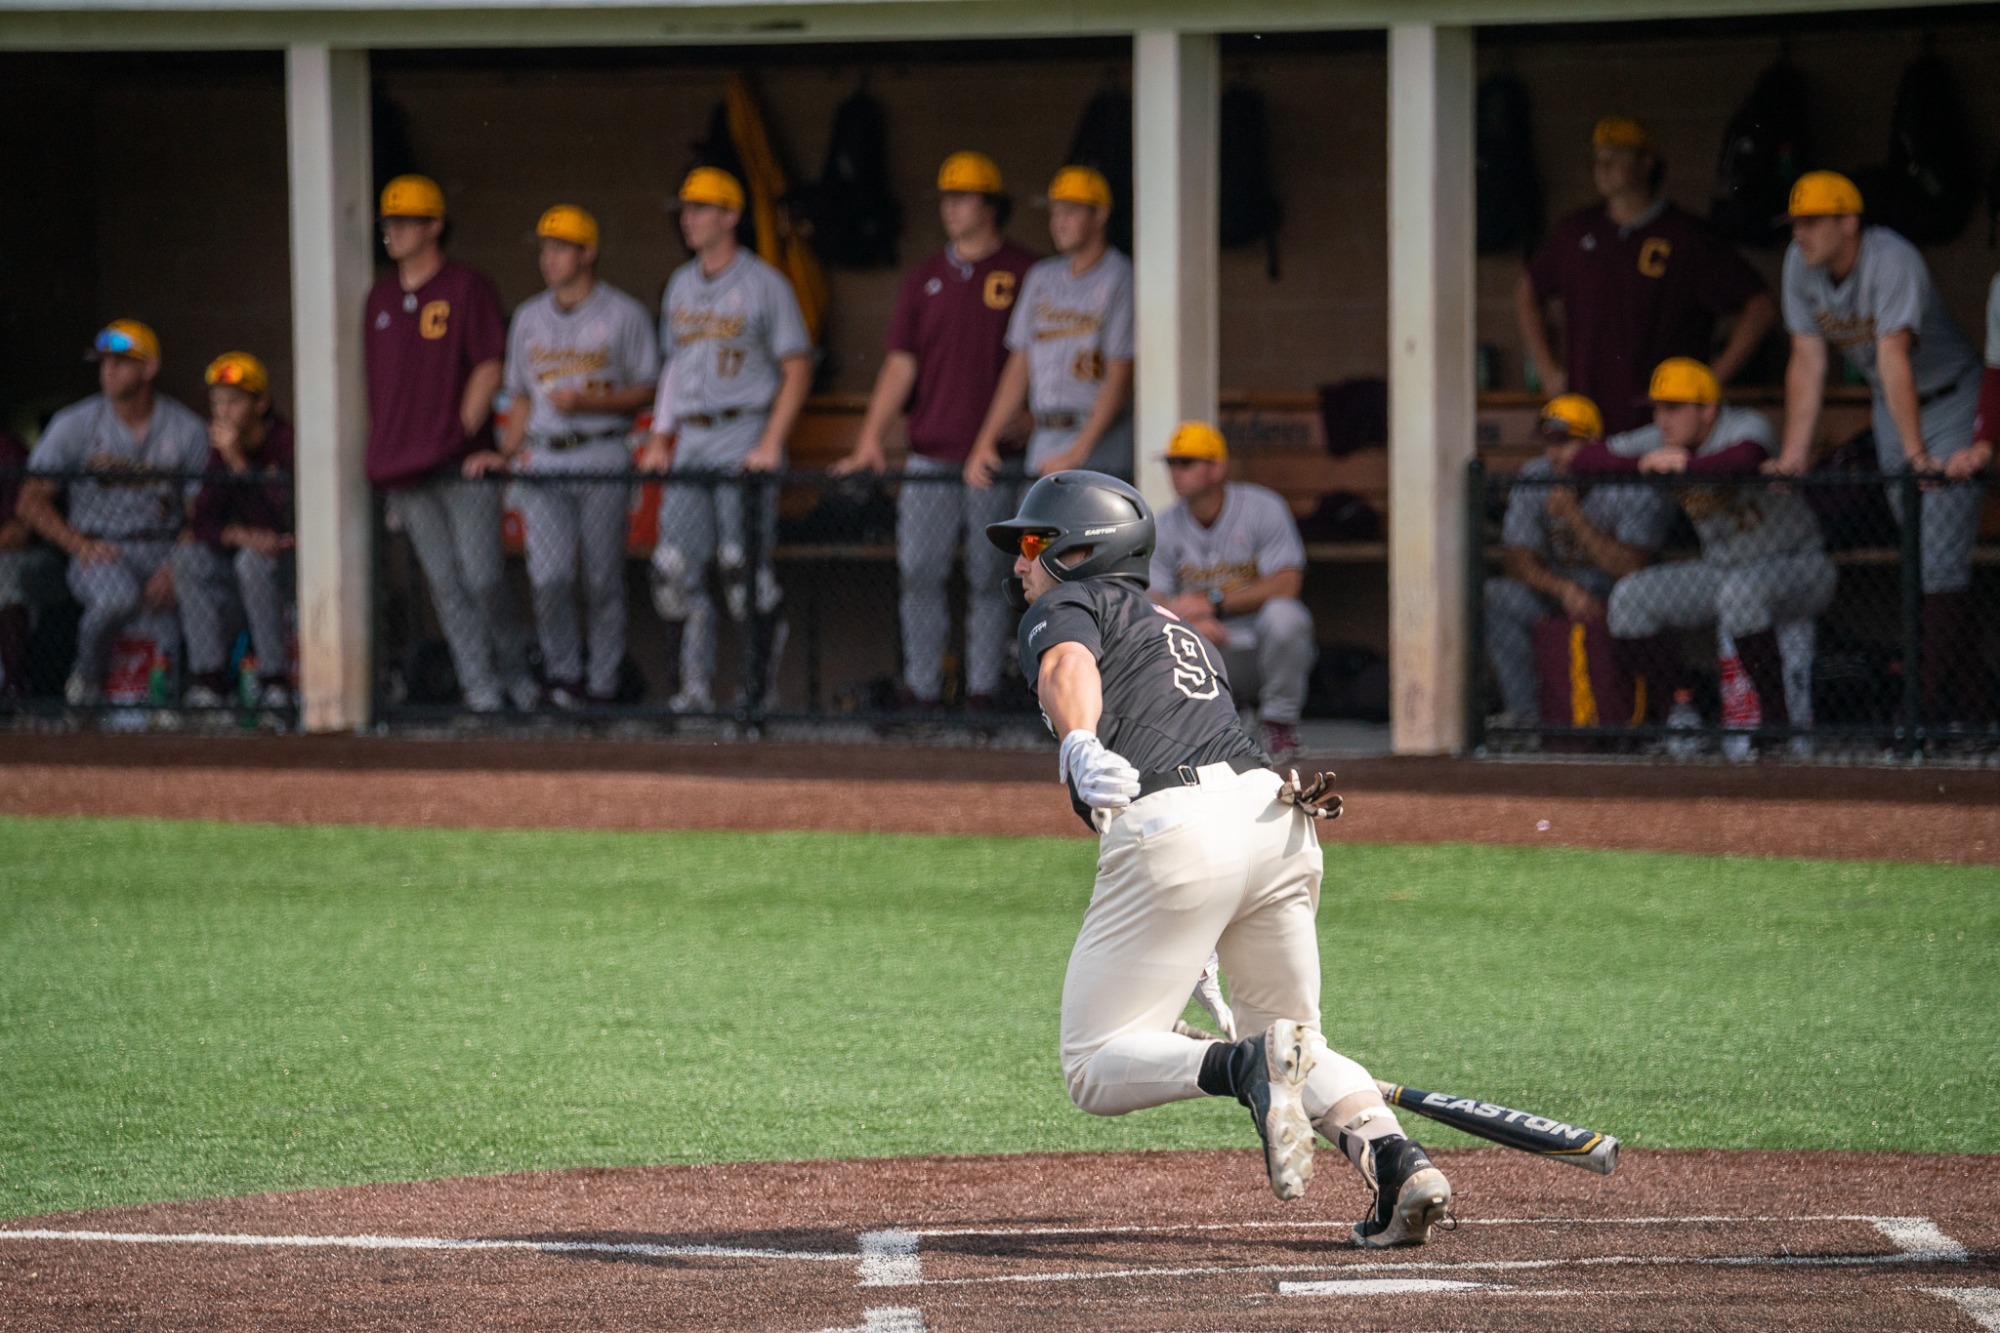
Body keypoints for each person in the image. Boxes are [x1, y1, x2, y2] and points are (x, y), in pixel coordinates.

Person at [987, 469, 1452, 1249]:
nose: (1019, 562)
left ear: (1082, 550)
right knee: (1295, 1042)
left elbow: (1067, 668)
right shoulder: (1181, 631)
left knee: (1093, 1063)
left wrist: (1078, 740)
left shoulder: (1073, 602)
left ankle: (1240, 1068)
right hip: (1276, 820)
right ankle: (1400, 1163)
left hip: (1185, 830)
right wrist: (1195, 931)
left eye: (1034, 542)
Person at [1769, 171, 1987, 724]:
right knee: (1923, 558)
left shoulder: (1893, 259)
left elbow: (1894, 355)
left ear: (1849, 222)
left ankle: (1917, 713)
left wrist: (1916, 456)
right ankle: (1973, 702)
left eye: (1812, 222)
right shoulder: (1799, 265)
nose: (1799, 234)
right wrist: (1794, 453)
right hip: (1892, 407)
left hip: (1950, 400)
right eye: (1795, 223)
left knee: (1938, 562)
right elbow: (1808, 358)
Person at [831, 151, 1038, 713]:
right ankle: (922, 688)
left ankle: (982, 689)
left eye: (962, 197)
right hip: (929, 454)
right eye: (945, 198)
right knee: (919, 572)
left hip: (996, 458)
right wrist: (871, 438)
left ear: (991, 205)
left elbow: (1045, 358)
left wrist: (1036, 415)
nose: (950, 208)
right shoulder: (924, 277)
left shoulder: (1026, 271)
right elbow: (901, 364)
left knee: (990, 576)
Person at [1575, 358, 1835, 736]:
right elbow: (1585, 458)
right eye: (1657, 409)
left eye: (1673, 408)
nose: (1662, 420)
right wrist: (1644, 463)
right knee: (1630, 600)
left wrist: (1683, 466)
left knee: (1741, 595)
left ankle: (1776, 723)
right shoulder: (1662, 441)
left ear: (1708, 409)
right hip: (1722, 571)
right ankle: (1682, 707)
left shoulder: (1742, 424)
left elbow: (1745, 458)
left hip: (1799, 566)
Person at [466, 205, 659, 709]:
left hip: (601, 450)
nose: (548, 259)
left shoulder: (624, 313)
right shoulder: (529, 317)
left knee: (602, 579)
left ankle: (603, 683)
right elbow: (520, 396)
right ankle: (563, 676)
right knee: (549, 578)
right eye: (544, 249)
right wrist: (506, 452)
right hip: (544, 457)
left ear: (587, 253)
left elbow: (647, 388)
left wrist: (591, 403)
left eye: (559, 248)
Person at [638, 167, 812, 713]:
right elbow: (674, 366)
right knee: (673, 569)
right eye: (685, 210)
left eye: (700, 208)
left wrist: (771, 442)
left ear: (731, 215)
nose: (687, 219)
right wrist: (660, 437)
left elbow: (797, 367)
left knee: (742, 570)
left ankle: (757, 693)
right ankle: (692, 691)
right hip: (692, 435)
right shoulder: (680, 283)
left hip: (745, 428)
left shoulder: (765, 283)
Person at [364, 174, 535, 715]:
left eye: (404, 221)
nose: (392, 231)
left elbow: (489, 366)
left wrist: (456, 432)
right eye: (388, 222)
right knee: (445, 584)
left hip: (462, 464)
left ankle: (517, 679)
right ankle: (480, 691)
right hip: (406, 468)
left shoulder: (466, 286)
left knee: (482, 577)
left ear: (434, 225)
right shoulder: (380, 298)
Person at [1517, 116, 1777, 434]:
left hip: (1660, 427)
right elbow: (1527, 291)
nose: (1603, 166)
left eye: (1616, 156)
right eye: (1598, 157)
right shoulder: (1574, 231)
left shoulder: (1686, 235)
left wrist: (1709, 382)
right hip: (1586, 421)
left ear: (1646, 163)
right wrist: (1547, 371)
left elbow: (1761, 307)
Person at [17, 320, 208, 706]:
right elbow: (30, 500)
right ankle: (85, 680)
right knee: (116, 598)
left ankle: (190, 701)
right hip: (101, 549)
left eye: (121, 361)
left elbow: (201, 514)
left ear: (149, 367)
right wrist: (78, 544)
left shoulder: (185, 428)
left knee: (166, 639)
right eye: (104, 362)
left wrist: (176, 566)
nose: (109, 370)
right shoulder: (75, 424)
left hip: (162, 548)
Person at [1483, 394, 1674, 727]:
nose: (1554, 453)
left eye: (1564, 442)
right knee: (1498, 595)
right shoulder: (1537, 475)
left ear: (1593, 445)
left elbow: (1631, 566)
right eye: (1548, 443)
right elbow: (1517, 559)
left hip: (1619, 598)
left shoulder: (1626, 482)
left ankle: (1642, 718)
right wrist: (1564, 590)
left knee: (1638, 597)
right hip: (1560, 597)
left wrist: (1573, 517)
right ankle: (1528, 719)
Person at [1147, 421, 1316, 763]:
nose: (1175, 472)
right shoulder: (1163, 524)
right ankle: (1215, 725)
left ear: (1217, 469)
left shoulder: (1262, 507)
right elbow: (1149, 599)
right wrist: (1187, 625)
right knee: (1155, 631)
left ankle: (1279, 723)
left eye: (1186, 462)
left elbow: (1288, 583)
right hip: (1204, 652)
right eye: (1171, 463)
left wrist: (1214, 603)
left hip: (1257, 646)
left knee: (1287, 617)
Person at [963, 166, 1134, 488]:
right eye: (1055, 212)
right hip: (1045, 435)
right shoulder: (1041, 277)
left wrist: (1078, 452)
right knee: (1036, 522)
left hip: (1100, 437)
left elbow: (1120, 374)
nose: (1059, 222)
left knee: (1094, 520)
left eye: (1070, 211)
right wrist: (985, 440)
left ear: (1100, 216)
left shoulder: (1120, 276)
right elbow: (1019, 365)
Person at [171, 352, 295, 711]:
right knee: (189, 558)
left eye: (234, 402)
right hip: (239, 560)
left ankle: (274, 682)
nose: (222, 412)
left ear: (261, 403)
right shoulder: (219, 450)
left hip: (289, 564)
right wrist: (240, 535)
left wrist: (239, 462)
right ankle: (210, 682)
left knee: (251, 563)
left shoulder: (284, 442)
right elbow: (203, 520)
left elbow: (280, 515)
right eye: (216, 403)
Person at [0, 424, 66, 701]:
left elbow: (18, 534)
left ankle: (14, 687)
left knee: (7, 574)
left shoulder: (8, 451)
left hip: (32, 559)